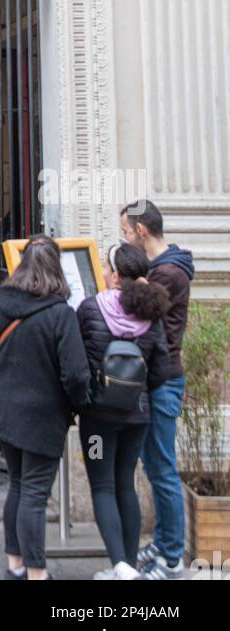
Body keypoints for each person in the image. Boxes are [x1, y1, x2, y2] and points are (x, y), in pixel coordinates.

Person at [0, 235, 92, 581]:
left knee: (18, 486)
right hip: (43, 417)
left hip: (5, 414)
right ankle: (38, 573)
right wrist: (78, 404)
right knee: (36, 493)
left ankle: (16, 566)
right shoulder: (60, 315)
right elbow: (76, 375)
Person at [77, 243, 170, 580]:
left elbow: (78, 361)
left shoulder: (89, 309)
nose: (102, 270)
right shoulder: (151, 314)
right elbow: (161, 369)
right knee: (125, 484)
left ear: (115, 274)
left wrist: (84, 396)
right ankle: (128, 566)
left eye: (106, 265)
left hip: (98, 416)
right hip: (137, 415)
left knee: (102, 486)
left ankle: (120, 566)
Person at [120, 200, 194, 579]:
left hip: (163, 380)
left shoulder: (169, 274)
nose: (125, 239)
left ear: (142, 231)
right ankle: (164, 543)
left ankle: (171, 557)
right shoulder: (158, 271)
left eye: (126, 233)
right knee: (154, 464)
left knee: (163, 468)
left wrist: (124, 285)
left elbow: (136, 310)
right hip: (154, 380)